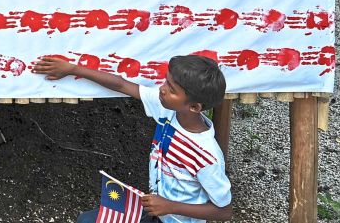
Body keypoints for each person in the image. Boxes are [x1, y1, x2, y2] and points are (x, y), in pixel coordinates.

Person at [33, 54, 233, 223]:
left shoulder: (207, 156)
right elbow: (121, 85)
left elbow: (224, 211)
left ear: (194, 107)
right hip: (156, 210)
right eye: (166, 81)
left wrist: (169, 206)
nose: (162, 89)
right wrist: (74, 69)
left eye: (171, 89)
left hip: (171, 215)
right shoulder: (168, 110)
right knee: (86, 220)